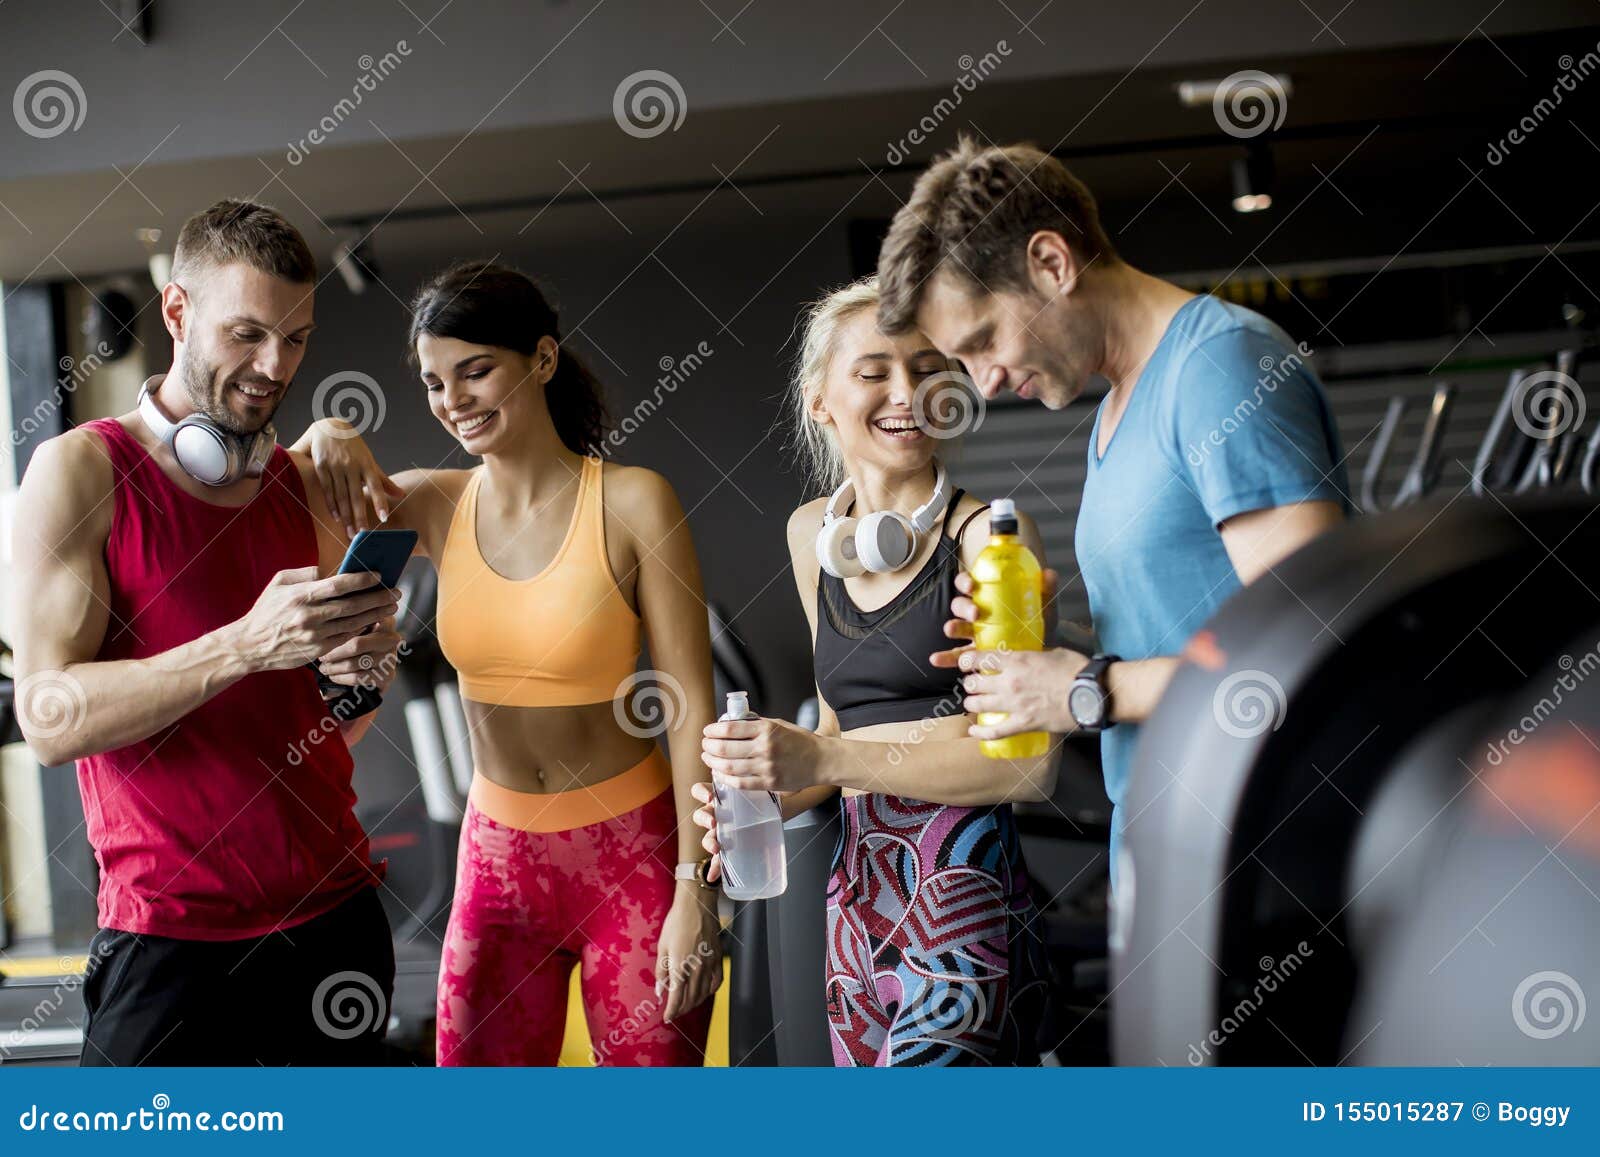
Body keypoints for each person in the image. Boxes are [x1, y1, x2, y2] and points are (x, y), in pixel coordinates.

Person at [704, 137, 1350, 894]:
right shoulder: (1118, 410)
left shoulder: (1217, 369)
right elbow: (1191, 625)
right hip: (1167, 833)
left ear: (1051, 263)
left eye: (980, 342)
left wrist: (1082, 690)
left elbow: (1313, 651)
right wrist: (1050, 643)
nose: (983, 379)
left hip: (1263, 838)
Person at [295, 261, 720, 1066]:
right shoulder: (431, 502)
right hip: (497, 858)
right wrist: (327, 434)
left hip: (631, 854)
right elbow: (279, 503)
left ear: (544, 359)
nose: (454, 399)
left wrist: (698, 886)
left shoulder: (634, 501)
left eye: (476, 370)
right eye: (433, 381)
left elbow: (691, 701)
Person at [10, 199, 403, 1066]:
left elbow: (336, 725)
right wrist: (245, 643)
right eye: (248, 333)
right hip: (170, 945)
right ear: (179, 312)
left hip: (334, 923)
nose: (274, 366)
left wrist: (359, 674)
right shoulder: (81, 470)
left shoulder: (305, 479)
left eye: (295, 339)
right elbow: (46, 717)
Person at [694, 277, 1056, 1065]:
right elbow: (835, 728)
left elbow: (1027, 764)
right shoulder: (809, 537)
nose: (909, 393)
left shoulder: (994, 539)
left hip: (964, 886)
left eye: (929, 368)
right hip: (857, 889)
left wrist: (824, 755)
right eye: (875, 372)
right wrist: (767, 789)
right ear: (820, 399)